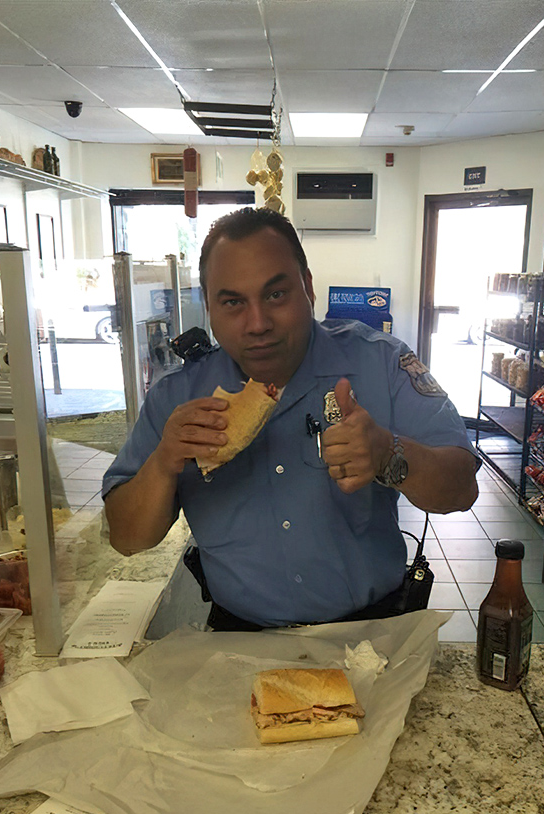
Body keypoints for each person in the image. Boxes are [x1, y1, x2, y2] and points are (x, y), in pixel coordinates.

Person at [103, 207, 478, 630]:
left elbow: (461, 490)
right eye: (232, 302)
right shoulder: (177, 396)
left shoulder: (381, 363)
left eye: (276, 295)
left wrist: (387, 453)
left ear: (309, 289)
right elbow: (127, 538)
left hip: (372, 635)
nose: (258, 323)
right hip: (238, 638)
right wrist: (164, 461)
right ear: (208, 307)